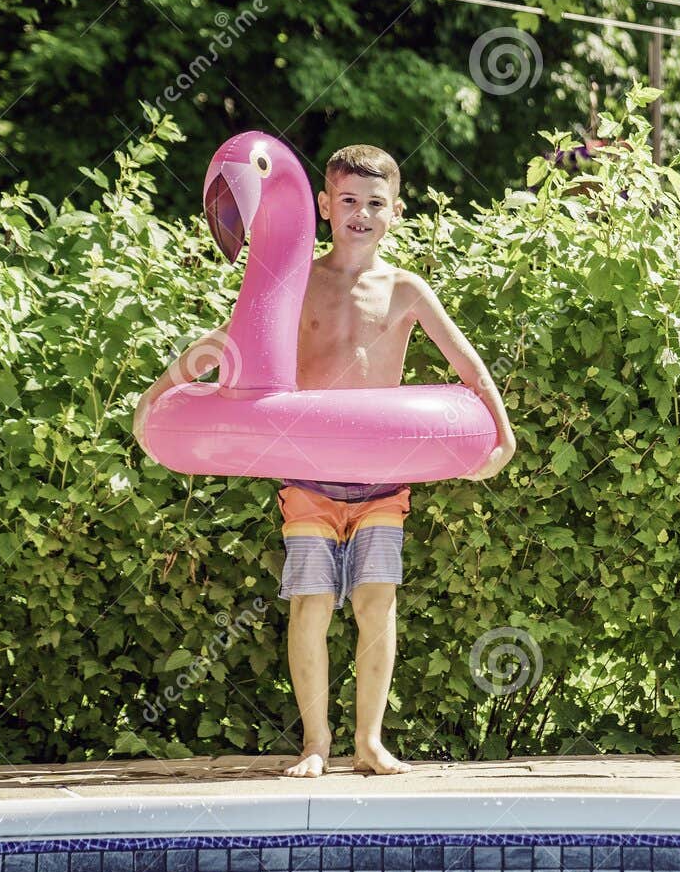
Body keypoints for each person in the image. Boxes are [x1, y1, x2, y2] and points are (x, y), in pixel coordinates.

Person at [134, 144, 516, 778]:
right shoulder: (294, 278)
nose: (360, 214)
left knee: (375, 601)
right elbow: (239, 355)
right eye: (346, 201)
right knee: (310, 605)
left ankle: (369, 740)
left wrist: (503, 437)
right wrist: (164, 392)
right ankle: (315, 740)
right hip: (308, 478)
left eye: (373, 204)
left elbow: (469, 367)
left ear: (396, 211)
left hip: (382, 480)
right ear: (323, 206)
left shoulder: (405, 290)